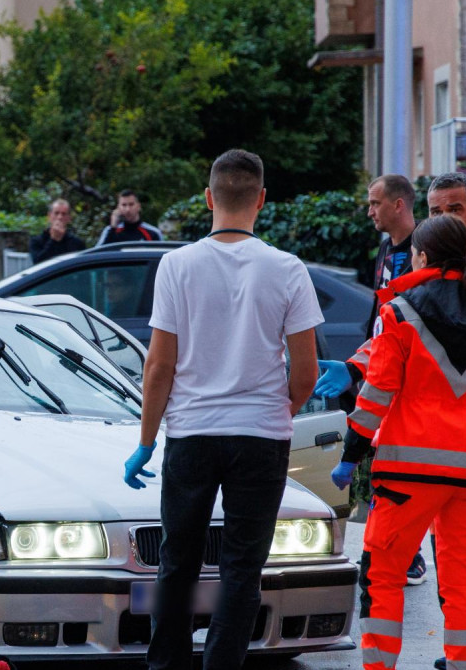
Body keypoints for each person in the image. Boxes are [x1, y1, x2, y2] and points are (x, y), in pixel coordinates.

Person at [123, 149, 321, 669]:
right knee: (241, 568)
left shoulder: (176, 265)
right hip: (261, 436)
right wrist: (277, 412)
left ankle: (166, 664)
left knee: (177, 563)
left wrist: (146, 441)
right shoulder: (288, 269)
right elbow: (306, 374)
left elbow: (159, 368)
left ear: (209, 198)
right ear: (261, 201)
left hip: (191, 435)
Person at [330, 214, 466, 670]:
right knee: (465, 578)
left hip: (410, 468)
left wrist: (350, 457)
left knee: (383, 574)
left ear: (422, 257)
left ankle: (380, 666)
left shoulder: (400, 312)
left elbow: (375, 396)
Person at [315, 174, 431, 585]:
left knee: (402, 464)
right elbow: (379, 318)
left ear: (399, 205)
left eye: (375, 203)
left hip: (411, 377)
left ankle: (409, 554)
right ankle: (398, 549)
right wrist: (357, 366)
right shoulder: (385, 249)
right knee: (380, 462)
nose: (369, 211)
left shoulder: (425, 248)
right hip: (381, 364)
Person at [96, 189, 164, 245]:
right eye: (124, 205)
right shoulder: (110, 231)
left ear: (138, 206)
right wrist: (113, 226)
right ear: (118, 207)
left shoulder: (153, 233)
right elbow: (97, 255)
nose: (127, 209)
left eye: (131, 204)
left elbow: (161, 257)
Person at [29, 199, 86, 263]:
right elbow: (38, 264)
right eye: (56, 213)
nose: (60, 217)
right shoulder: (37, 241)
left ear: (69, 218)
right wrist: (54, 240)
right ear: (49, 216)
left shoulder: (77, 243)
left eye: (63, 214)